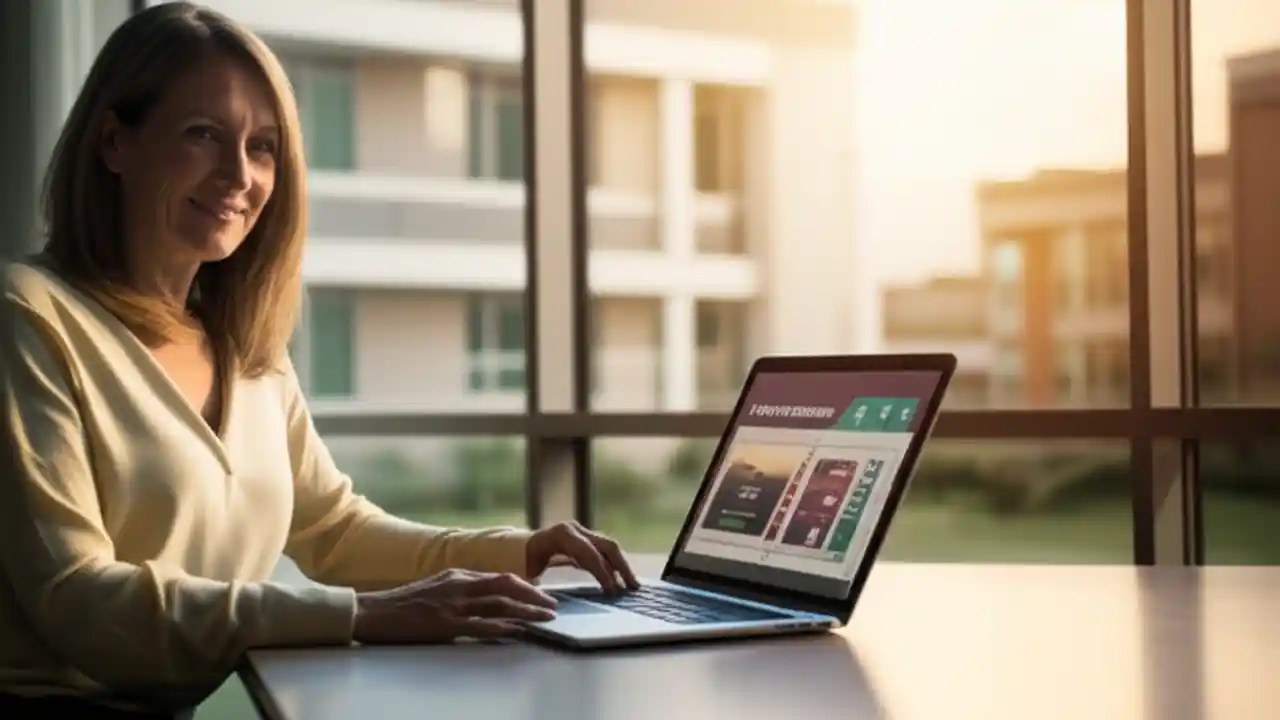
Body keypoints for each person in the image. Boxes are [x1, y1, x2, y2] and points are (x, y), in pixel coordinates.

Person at [0, 3, 637, 717]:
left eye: (263, 147)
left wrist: (520, 553)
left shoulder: (244, 345)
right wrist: (363, 616)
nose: (238, 174)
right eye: (202, 134)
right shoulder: (27, 315)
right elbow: (76, 597)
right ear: (115, 141)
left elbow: (335, 531)